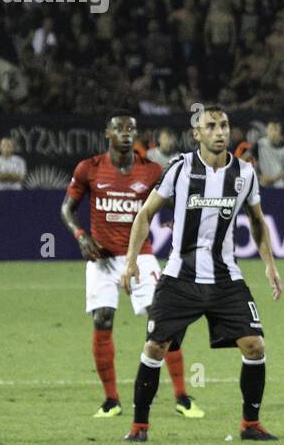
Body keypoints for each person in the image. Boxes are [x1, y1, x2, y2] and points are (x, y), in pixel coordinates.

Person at [119, 106, 283, 442]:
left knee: (254, 345)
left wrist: (269, 264)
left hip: (226, 279)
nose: (220, 131)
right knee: (155, 346)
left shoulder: (245, 173)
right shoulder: (179, 169)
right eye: (211, 126)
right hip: (180, 277)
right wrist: (131, 260)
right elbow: (146, 213)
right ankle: (139, 427)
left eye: (224, 125)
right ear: (197, 134)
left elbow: (256, 221)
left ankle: (250, 425)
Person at [61, 112, 202, 419]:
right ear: (107, 134)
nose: (126, 133)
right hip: (103, 260)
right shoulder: (89, 168)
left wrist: (174, 220)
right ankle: (111, 400)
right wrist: (80, 235)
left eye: (131, 129)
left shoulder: (151, 171)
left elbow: (176, 200)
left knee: (162, 322)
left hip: (141, 256)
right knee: (102, 319)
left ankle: (182, 396)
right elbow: (67, 208)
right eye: (119, 129)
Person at [255, 122, 284, 188]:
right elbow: (254, 162)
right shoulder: (261, 144)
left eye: (276, 131)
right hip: (264, 183)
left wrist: (274, 179)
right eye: (271, 130)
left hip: (283, 185)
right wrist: (260, 176)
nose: (273, 133)